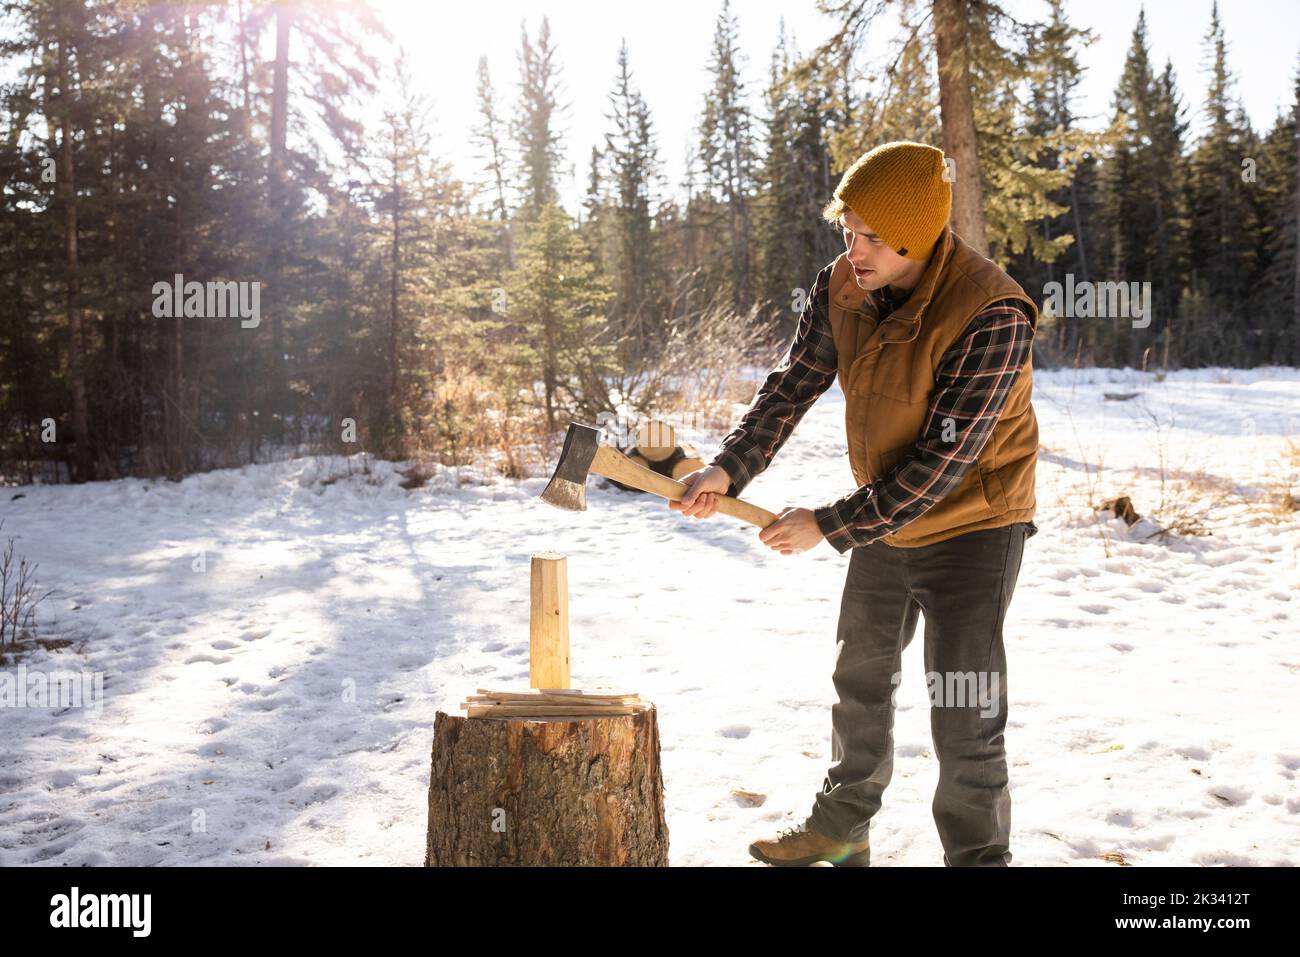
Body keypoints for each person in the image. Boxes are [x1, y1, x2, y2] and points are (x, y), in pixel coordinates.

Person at [669, 141, 1040, 866]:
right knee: (861, 678)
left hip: (973, 525)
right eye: (848, 230)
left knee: (964, 710)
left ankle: (980, 860)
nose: (854, 249)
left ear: (916, 237)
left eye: (872, 236)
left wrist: (829, 524)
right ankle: (841, 830)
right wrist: (728, 468)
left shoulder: (991, 311)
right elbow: (792, 384)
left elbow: (941, 467)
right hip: (885, 514)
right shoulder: (843, 285)